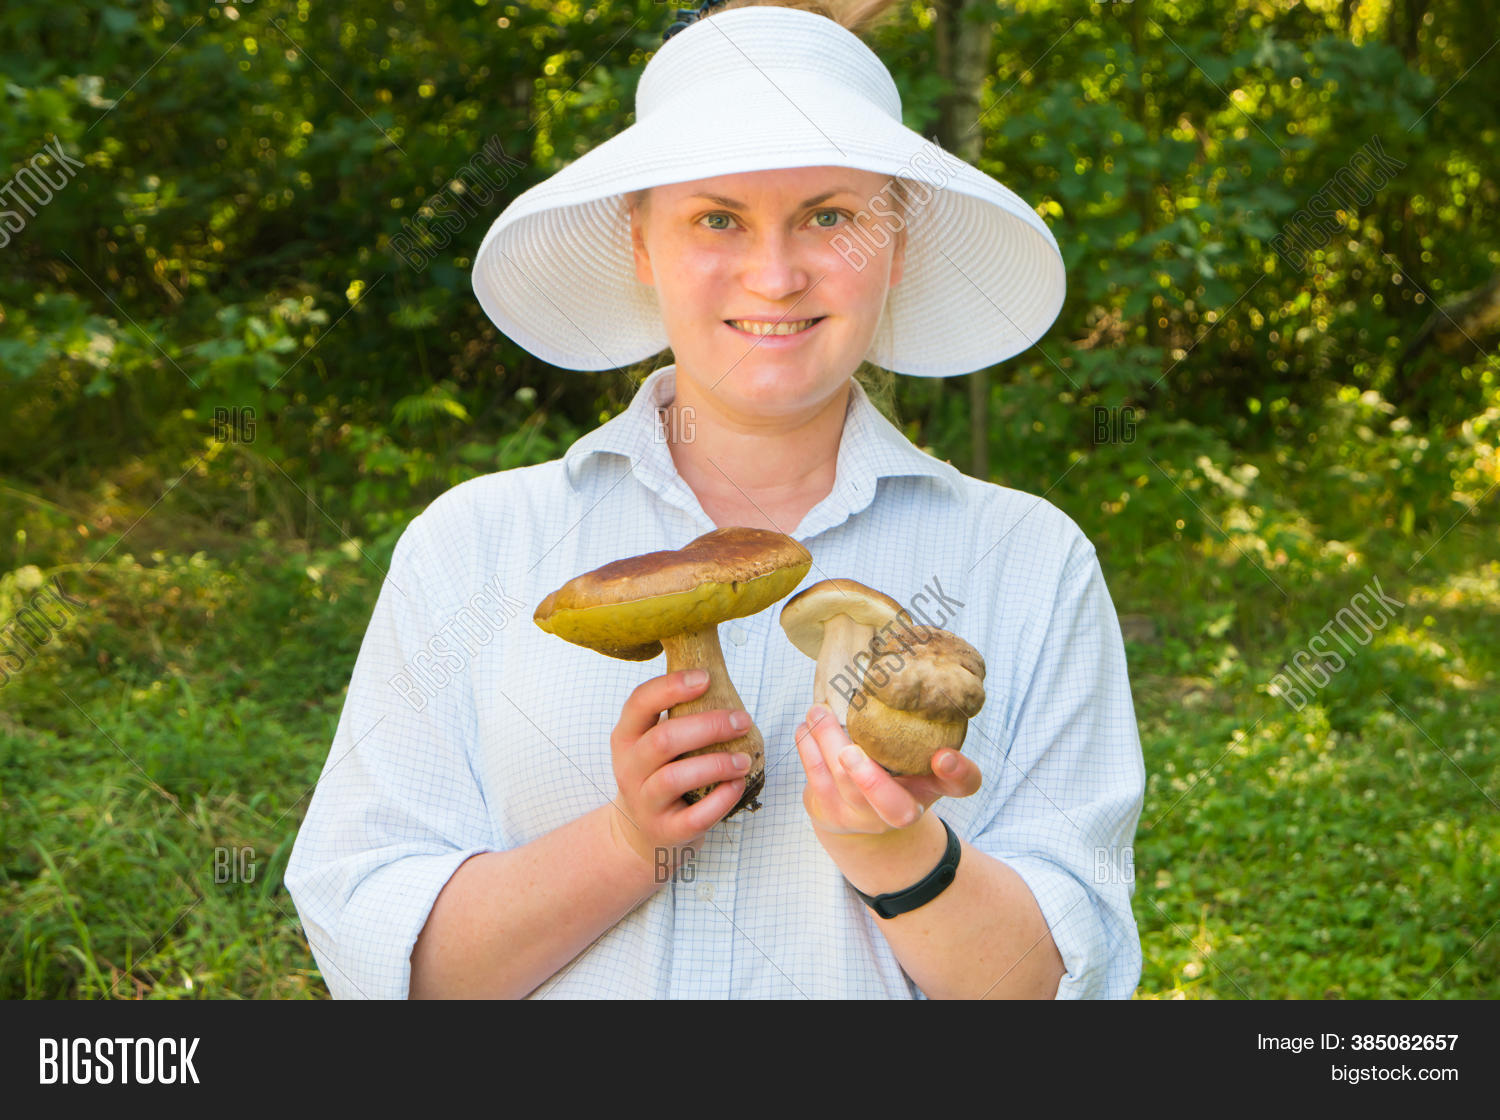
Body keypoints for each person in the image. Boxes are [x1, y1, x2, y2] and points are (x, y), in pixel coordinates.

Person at [285, 0, 1145, 999]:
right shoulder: (474, 546)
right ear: (641, 244)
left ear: (896, 244)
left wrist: (903, 853)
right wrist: (626, 838)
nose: (775, 276)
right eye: (716, 217)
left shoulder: (1033, 562)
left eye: (830, 215)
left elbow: (1053, 991)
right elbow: (384, 963)